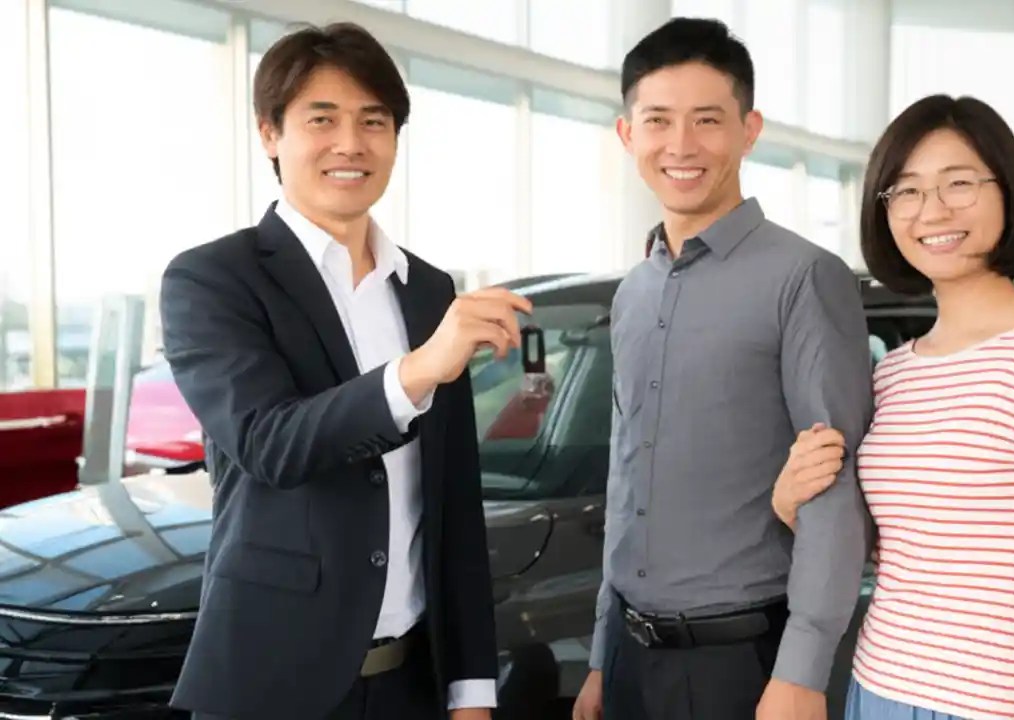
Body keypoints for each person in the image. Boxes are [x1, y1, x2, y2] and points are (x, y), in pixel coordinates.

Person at [159, 22, 529, 720]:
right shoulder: (214, 279)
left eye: (374, 121)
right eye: (321, 119)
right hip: (270, 688)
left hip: (412, 684)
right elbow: (271, 443)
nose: (350, 144)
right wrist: (417, 372)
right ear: (270, 133)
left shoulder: (428, 291)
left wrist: (472, 691)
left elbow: (452, 503)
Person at [773, 94, 1014, 720]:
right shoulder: (896, 372)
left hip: (991, 705)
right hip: (877, 687)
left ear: (1007, 191)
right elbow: (900, 551)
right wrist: (791, 501)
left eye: (958, 183)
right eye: (905, 191)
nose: (931, 210)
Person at [572, 17, 876, 720]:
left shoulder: (805, 276)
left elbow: (835, 480)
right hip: (627, 654)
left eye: (707, 120)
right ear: (627, 135)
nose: (681, 146)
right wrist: (599, 654)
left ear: (749, 129)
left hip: (738, 664)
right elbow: (626, 478)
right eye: (658, 121)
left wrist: (802, 670)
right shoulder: (633, 291)